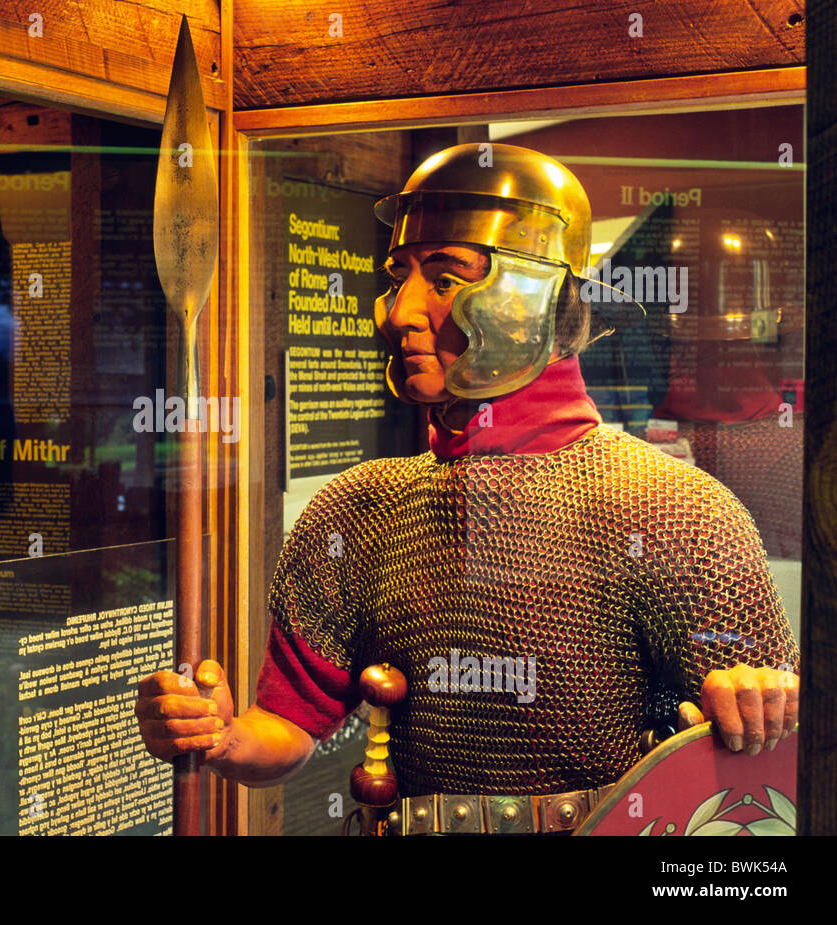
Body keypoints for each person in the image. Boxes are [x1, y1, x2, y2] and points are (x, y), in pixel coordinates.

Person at [135, 143, 800, 830]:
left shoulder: (672, 508)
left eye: (446, 279)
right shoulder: (361, 509)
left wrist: (765, 701)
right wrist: (216, 734)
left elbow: (769, 769)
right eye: (400, 277)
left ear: (536, 295)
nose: (397, 313)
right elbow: (285, 729)